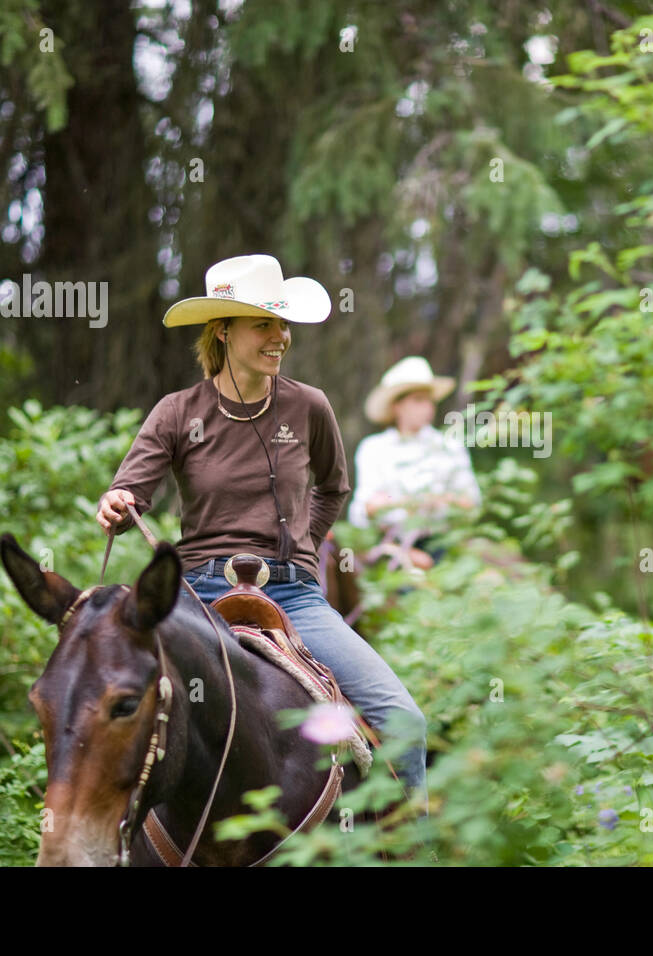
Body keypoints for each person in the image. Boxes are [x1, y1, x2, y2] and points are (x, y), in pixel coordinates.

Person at [95, 254, 427, 801]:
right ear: (223, 331)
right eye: (263, 324)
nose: (280, 337)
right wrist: (115, 502)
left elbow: (333, 487)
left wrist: (301, 551)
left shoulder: (309, 407)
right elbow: (130, 495)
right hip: (199, 595)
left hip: (294, 598)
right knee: (121, 714)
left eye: (282, 323)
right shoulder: (178, 412)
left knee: (404, 722)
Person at [348, 356, 481, 568]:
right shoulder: (374, 448)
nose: (428, 407)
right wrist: (407, 504)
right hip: (389, 545)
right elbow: (362, 511)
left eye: (429, 400)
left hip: (442, 545)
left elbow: (471, 503)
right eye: (418, 400)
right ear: (397, 406)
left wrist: (440, 501)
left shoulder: (448, 446)